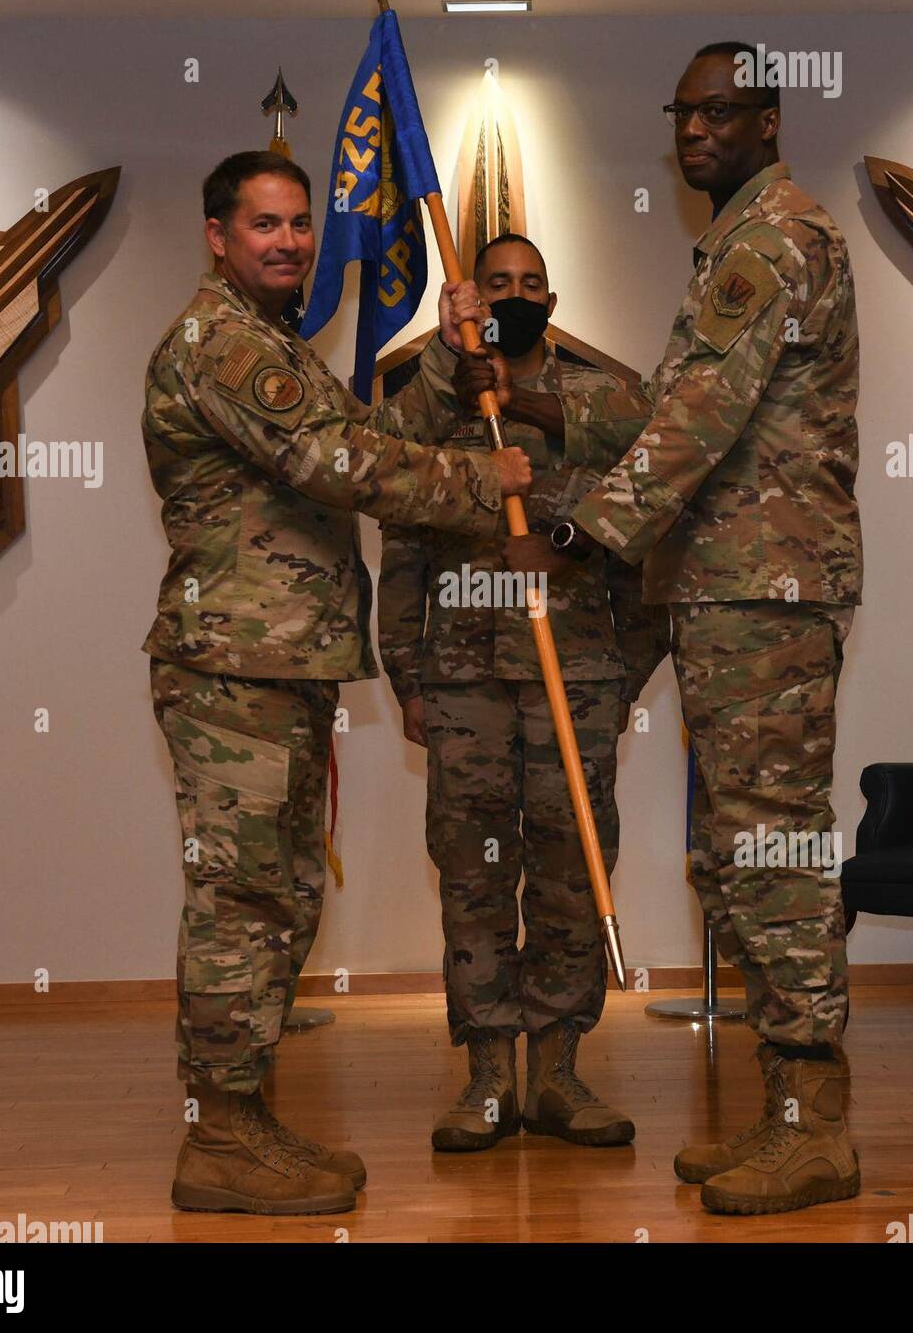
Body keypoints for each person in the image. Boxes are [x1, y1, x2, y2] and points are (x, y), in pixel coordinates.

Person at [491, 42, 864, 1215]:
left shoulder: (770, 240)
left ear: (769, 120)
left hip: (765, 588)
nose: (696, 132)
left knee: (774, 852)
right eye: (684, 115)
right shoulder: (739, 240)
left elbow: (696, 419)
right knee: (738, 852)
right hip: (728, 585)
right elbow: (678, 411)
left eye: (721, 114)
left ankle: (816, 1127)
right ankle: (782, 1113)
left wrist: (579, 533)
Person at [142, 150, 532, 1215]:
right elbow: (339, 470)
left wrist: (454, 364)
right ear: (217, 236)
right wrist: (479, 479)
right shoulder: (222, 346)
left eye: (301, 223)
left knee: (279, 896)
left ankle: (242, 1118)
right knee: (241, 900)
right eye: (264, 224)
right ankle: (218, 1134)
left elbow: (363, 438)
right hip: (235, 668)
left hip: (281, 665)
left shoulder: (278, 347)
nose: (290, 241)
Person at [376, 233, 668, 1151]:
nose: (514, 293)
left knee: (571, 871)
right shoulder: (439, 405)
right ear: (472, 300)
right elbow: (402, 543)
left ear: (553, 293)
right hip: (463, 677)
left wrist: (627, 671)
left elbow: (645, 534)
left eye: (529, 281)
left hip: (572, 672)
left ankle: (558, 1073)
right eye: (496, 282)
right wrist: (406, 674)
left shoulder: (603, 404)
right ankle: (487, 1077)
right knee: (471, 870)